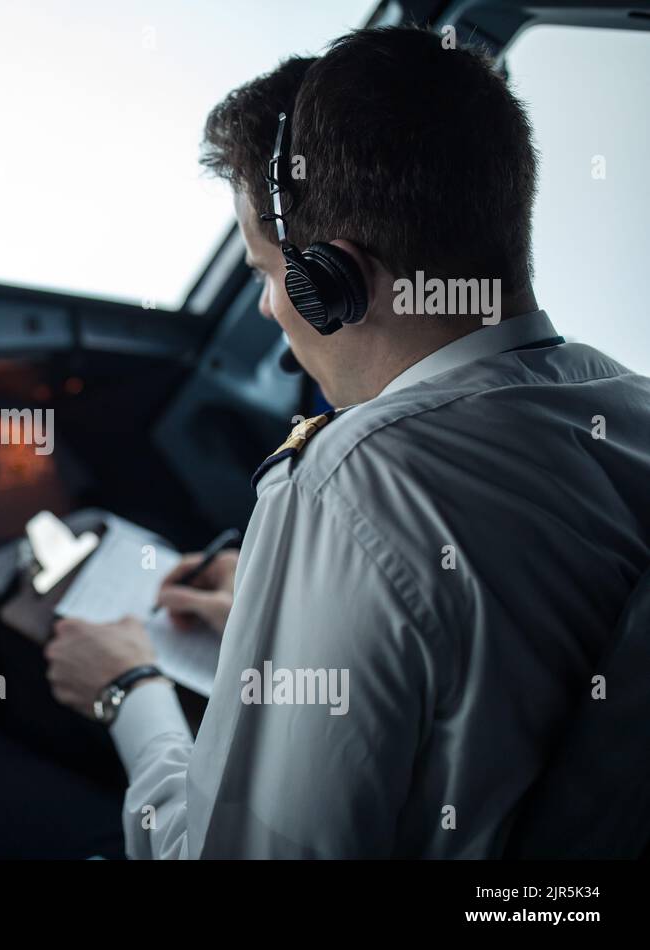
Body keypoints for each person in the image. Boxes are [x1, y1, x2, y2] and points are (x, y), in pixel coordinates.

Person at [45, 26, 650, 857]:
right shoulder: (629, 413)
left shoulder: (354, 483)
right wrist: (287, 633)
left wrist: (127, 688)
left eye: (266, 273)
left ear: (329, 281)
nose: (265, 309)